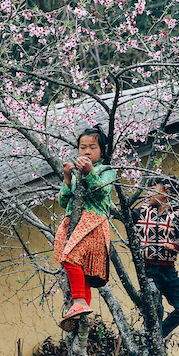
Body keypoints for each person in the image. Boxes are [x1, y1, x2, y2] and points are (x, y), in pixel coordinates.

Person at [54, 126, 115, 331]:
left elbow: (102, 192)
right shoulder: (76, 173)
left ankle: (79, 301)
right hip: (74, 222)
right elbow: (63, 201)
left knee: (70, 256)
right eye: (82, 147)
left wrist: (89, 173)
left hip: (92, 222)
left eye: (92, 147)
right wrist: (67, 178)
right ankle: (81, 309)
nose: (87, 151)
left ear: (102, 151)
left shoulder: (106, 171)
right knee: (80, 267)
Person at [134, 174, 179, 339]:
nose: (148, 193)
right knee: (156, 309)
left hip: (169, 271)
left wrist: (174, 245)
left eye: (153, 189)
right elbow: (123, 214)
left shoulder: (177, 213)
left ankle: (156, 339)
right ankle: (154, 346)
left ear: (167, 192)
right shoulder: (141, 211)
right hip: (148, 271)